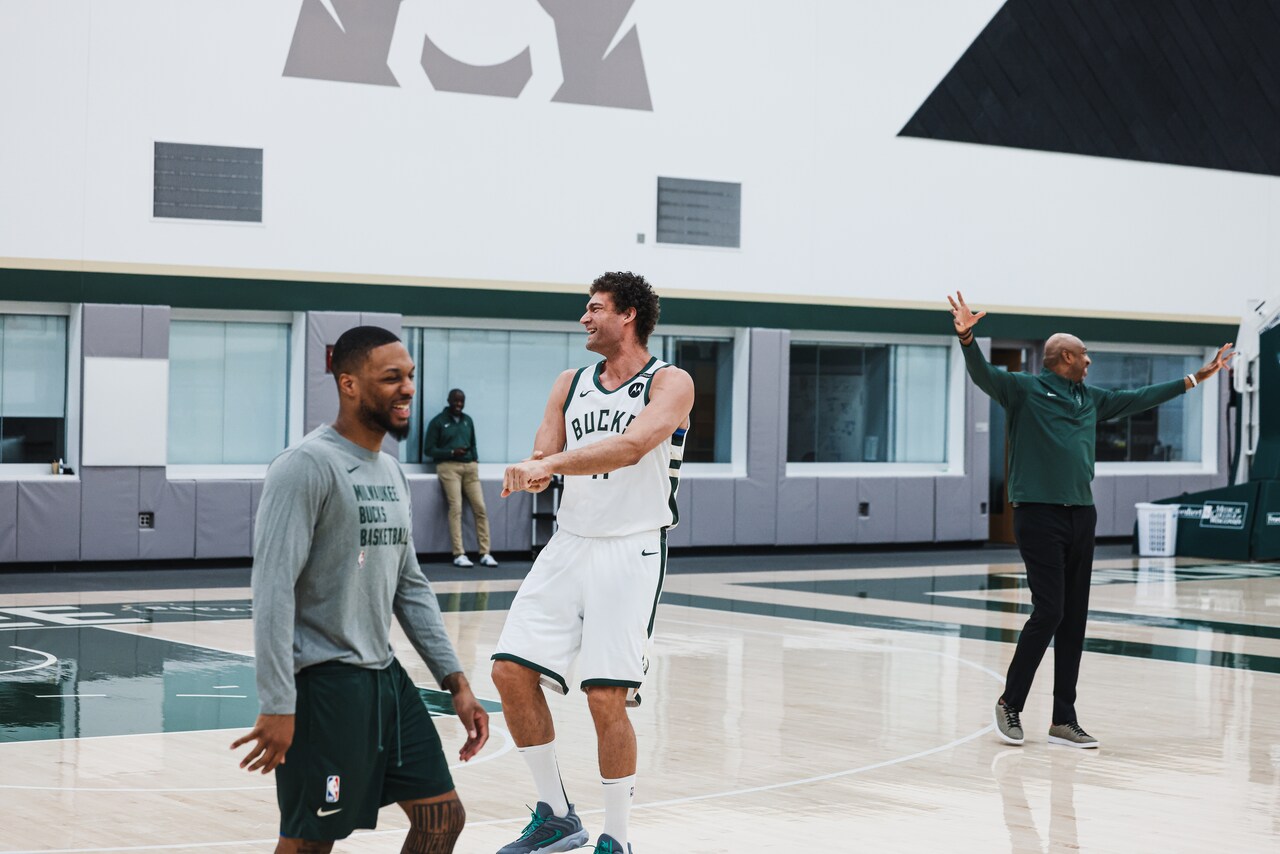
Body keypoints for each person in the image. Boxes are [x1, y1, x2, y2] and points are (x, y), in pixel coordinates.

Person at [232, 325, 490, 853]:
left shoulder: (391, 473)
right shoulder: (305, 467)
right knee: (310, 842)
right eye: (391, 377)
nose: (408, 388)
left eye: (411, 376)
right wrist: (279, 702)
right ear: (349, 384)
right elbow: (273, 591)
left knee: (442, 818)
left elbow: (410, 585)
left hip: (385, 680)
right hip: (324, 686)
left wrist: (456, 680)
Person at [948, 292, 1234, 749]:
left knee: (1075, 617)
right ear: (1065, 357)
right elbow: (982, 373)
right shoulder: (1021, 389)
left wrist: (1197, 378)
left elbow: (1139, 397)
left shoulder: (1090, 399)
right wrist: (966, 335)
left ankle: (1064, 718)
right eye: (1085, 354)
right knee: (1050, 610)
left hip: (1082, 515)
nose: (1090, 360)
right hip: (1038, 515)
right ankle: (1010, 703)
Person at [491, 272, 694, 854]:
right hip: (568, 544)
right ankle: (555, 815)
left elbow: (632, 447)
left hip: (631, 549)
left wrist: (550, 465)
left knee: (605, 697)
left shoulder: (671, 382)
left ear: (628, 315)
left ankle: (617, 839)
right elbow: (543, 451)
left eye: (595, 308)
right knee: (509, 671)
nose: (585, 318)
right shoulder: (569, 383)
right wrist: (528, 469)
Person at [425, 388, 499, 568]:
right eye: (455, 401)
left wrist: (474, 458)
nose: (458, 404)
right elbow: (428, 450)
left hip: (470, 468)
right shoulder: (438, 422)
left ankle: (485, 553)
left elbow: (473, 443)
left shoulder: (468, 420)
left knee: (480, 507)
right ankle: (459, 554)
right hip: (448, 467)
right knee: (456, 507)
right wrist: (451, 452)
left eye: (461, 401)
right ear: (449, 400)